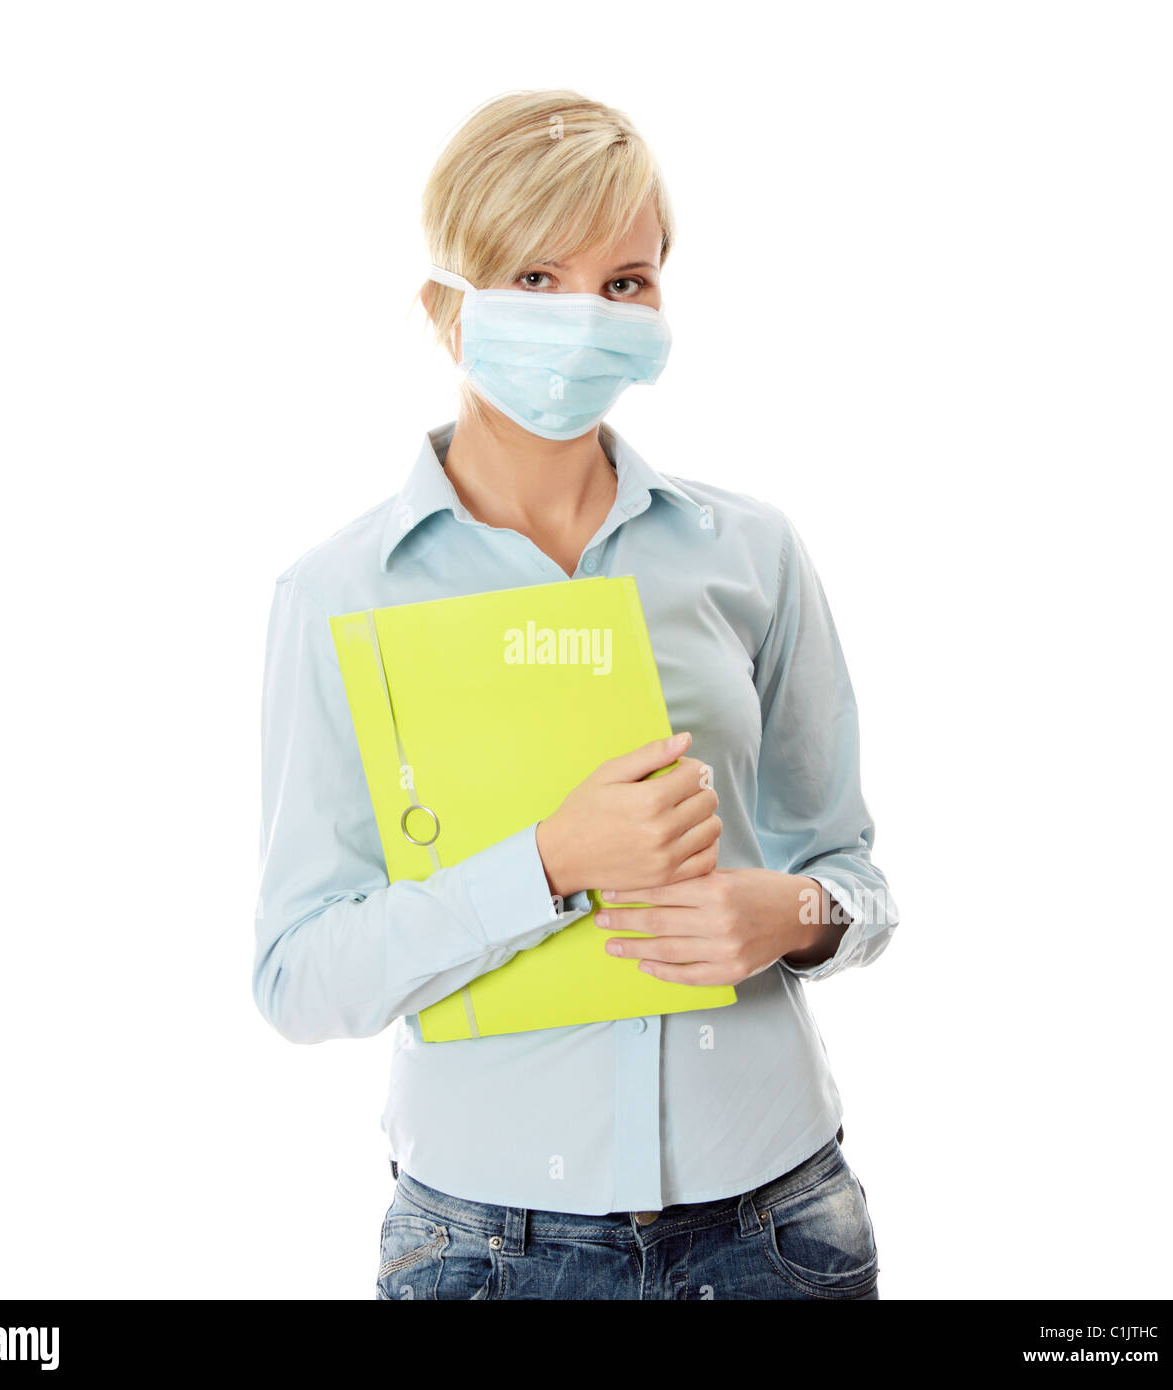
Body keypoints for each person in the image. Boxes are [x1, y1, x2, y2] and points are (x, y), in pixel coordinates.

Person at [253, 89, 898, 1300]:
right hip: (488, 1249)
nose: (584, 316)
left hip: (777, 1225)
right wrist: (546, 861)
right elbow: (296, 974)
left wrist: (790, 913)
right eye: (536, 277)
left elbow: (856, 876)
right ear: (449, 304)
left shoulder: (748, 551)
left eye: (625, 281)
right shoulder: (336, 593)